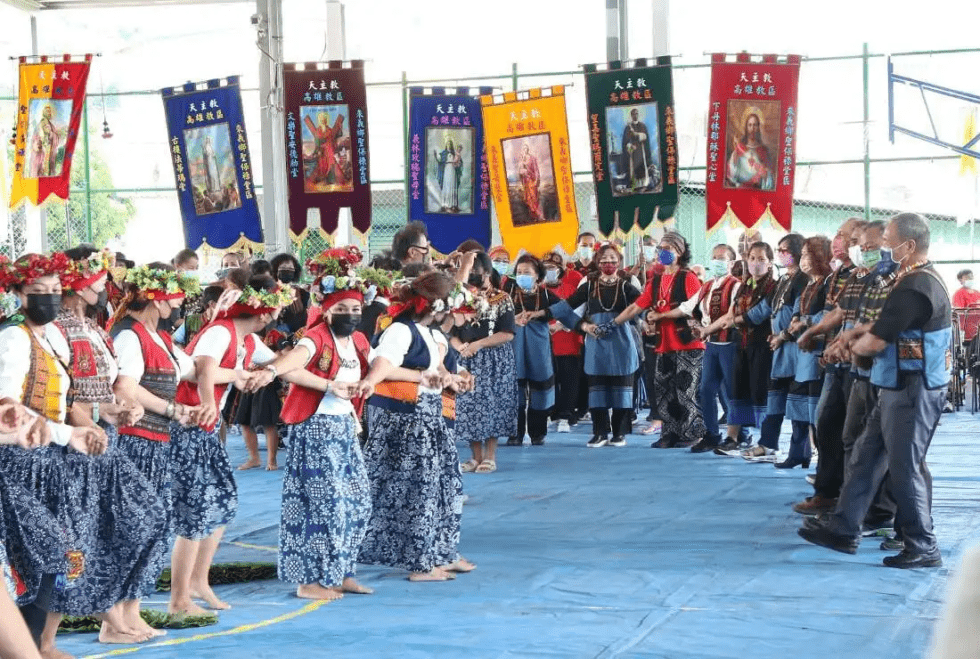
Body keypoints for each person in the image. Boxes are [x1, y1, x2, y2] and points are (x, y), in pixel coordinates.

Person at [799, 213, 952, 569]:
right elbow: (881, 323)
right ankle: (844, 527)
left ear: (909, 246)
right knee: (866, 456)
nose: (883, 248)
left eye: (888, 241)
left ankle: (922, 545)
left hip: (913, 388)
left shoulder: (916, 286)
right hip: (894, 385)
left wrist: (846, 346)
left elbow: (878, 338)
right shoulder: (910, 279)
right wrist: (852, 335)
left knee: (905, 466)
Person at [52, 252, 172, 643]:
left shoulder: (92, 326)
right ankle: (100, 624)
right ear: (82, 283)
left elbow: (97, 393)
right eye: (101, 278)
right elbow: (66, 397)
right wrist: (92, 427)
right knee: (87, 535)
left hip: (101, 435)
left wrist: (117, 411)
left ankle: (117, 617)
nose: (107, 285)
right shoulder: (59, 327)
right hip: (77, 445)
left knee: (130, 524)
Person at [0, 253, 112, 657]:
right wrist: (68, 433)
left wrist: (86, 427)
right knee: (41, 554)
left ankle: (37, 644)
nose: (48, 298)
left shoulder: (54, 337)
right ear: (17, 293)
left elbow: (66, 400)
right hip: (19, 464)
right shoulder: (14, 337)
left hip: (51, 459)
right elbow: (10, 402)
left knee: (56, 555)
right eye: (37, 292)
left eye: (54, 291)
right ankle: (27, 647)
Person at [246, 264, 375, 602]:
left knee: (358, 501)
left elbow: (378, 366)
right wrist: (275, 370)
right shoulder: (315, 336)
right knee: (324, 505)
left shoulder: (358, 340)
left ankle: (341, 571)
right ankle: (310, 580)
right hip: (315, 428)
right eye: (341, 309)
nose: (349, 315)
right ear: (326, 309)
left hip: (345, 427)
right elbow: (295, 363)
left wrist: (371, 383)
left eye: (355, 309)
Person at [169, 278, 287, 614]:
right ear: (262, 312)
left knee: (222, 501)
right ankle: (180, 597)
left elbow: (275, 359)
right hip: (189, 426)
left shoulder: (247, 340)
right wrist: (216, 397)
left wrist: (269, 369)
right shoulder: (220, 332)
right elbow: (204, 369)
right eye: (275, 307)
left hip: (203, 429)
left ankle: (197, 580)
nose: (278, 314)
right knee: (196, 508)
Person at [355, 271, 475, 582]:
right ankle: (421, 563)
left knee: (445, 486)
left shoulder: (432, 334)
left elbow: (442, 369)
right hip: (406, 419)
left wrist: (457, 378)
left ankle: (442, 552)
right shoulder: (399, 331)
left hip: (432, 416)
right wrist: (419, 377)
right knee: (419, 489)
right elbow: (382, 367)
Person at [656, 243, 746, 452]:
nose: (716, 261)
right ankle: (712, 434)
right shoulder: (707, 286)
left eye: (721, 258)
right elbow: (686, 307)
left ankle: (743, 434)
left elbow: (730, 315)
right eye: (714, 256)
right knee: (706, 390)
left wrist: (706, 329)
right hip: (712, 346)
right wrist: (661, 315)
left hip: (731, 344)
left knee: (735, 392)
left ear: (731, 263)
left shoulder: (736, 285)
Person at [550, 244, 642, 447]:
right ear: (597, 261)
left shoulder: (627, 285)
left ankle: (619, 433)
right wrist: (582, 326)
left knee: (622, 391)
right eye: (604, 258)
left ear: (619, 261)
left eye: (612, 258)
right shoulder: (589, 285)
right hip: (595, 343)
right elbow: (565, 307)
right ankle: (599, 432)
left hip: (622, 342)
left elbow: (642, 306)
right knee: (596, 390)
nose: (608, 262)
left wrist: (652, 320)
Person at [702, 242, 777, 452]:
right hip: (741, 345)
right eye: (752, 258)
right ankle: (733, 438)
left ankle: (765, 442)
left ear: (770, 263)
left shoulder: (774, 287)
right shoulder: (744, 286)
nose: (756, 264)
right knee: (737, 391)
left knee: (760, 393)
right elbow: (730, 314)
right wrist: (707, 330)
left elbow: (759, 314)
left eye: (761, 259)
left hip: (762, 347)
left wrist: (735, 321)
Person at [739, 234, 808, 460]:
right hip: (780, 352)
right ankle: (768, 445)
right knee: (775, 400)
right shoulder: (783, 281)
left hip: (796, 351)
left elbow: (800, 315)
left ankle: (802, 452)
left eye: (785, 250)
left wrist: (783, 336)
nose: (781, 254)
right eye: (779, 249)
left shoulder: (803, 281)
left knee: (800, 404)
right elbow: (764, 310)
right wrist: (736, 320)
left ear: (797, 253)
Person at [452, 252, 517, 473]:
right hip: (466, 359)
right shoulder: (459, 298)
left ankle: (490, 456)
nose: (470, 275)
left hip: (494, 360)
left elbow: (507, 333)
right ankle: (475, 456)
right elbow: (450, 331)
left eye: (474, 271)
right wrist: (460, 347)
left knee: (492, 406)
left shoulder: (502, 298)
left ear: (487, 273)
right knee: (468, 407)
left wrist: (478, 345)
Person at [777, 235, 833, 469]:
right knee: (797, 406)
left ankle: (823, 461)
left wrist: (805, 322)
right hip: (801, 353)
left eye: (809, 254)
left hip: (815, 352)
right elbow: (798, 307)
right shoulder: (810, 283)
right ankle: (797, 453)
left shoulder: (828, 282)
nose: (804, 259)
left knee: (815, 412)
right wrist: (796, 320)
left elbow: (828, 314)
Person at [504, 255, 559, 446]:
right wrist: (513, 318)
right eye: (518, 272)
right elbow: (495, 317)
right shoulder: (507, 292)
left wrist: (545, 317)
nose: (521, 276)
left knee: (540, 389)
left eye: (526, 273)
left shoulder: (546, 295)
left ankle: (538, 432)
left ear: (538, 276)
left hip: (539, 346)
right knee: (514, 390)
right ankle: (514, 433)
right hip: (513, 345)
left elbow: (565, 312)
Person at [542, 252, 584, 432]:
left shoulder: (569, 289)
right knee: (549, 379)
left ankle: (567, 413)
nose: (549, 271)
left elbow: (575, 311)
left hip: (568, 340)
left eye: (553, 268)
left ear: (560, 270)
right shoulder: (539, 290)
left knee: (569, 378)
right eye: (546, 268)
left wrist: (559, 326)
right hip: (544, 343)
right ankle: (551, 412)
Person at [725, 111, 774, 190]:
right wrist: (734, 159)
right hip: (741, 190)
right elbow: (731, 175)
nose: (752, 128)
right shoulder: (739, 149)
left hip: (758, 192)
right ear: (746, 127)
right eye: (750, 125)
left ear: (758, 127)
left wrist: (765, 175)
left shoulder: (763, 150)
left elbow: (769, 176)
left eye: (755, 125)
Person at [622, 108, 653, 191]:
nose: (635, 115)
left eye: (636, 113)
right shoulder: (628, 127)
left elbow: (645, 137)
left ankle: (643, 185)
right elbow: (625, 141)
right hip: (633, 153)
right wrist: (630, 145)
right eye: (633, 114)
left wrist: (637, 134)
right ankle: (634, 186)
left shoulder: (643, 126)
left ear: (638, 115)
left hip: (641, 150)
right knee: (634, 169)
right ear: (631, 116)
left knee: (642, 168)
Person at [29, 104, 63, 178]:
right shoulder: (40, 124)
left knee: (49, 170)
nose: (49, 113)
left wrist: (51, 134)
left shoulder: (51, 125)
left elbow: (55, 137)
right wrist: (40, 141)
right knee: (42, 170)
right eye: (47, 111)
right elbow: (35, 139)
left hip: (49, 151)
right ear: (44, 113)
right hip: (42, 152)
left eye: (50, 112)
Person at [517, 143, 543, 221]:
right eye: (524, 149)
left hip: (532, 180)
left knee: (534, 198)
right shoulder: (522, 159)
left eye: (526, 148)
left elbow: (536, 170)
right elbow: (520, 171)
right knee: (528, 199)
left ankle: (539, 214)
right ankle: (533, 216)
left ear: (528, 149)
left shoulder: (532, 158)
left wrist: (536, 180)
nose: (525, 150)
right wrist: (522, 171)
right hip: (526, 182)